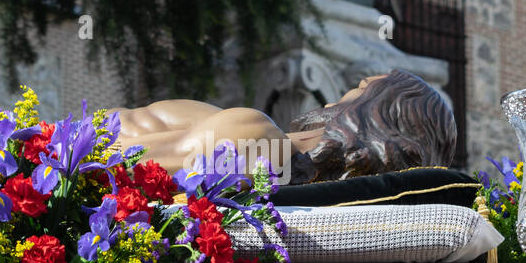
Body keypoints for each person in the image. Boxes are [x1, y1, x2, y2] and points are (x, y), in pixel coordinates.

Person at [111, 69, 457, 183]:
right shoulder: (254, 136)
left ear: (371, 113)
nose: (336, 98)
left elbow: (108, 162)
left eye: (362, 88)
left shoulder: (257, 137)